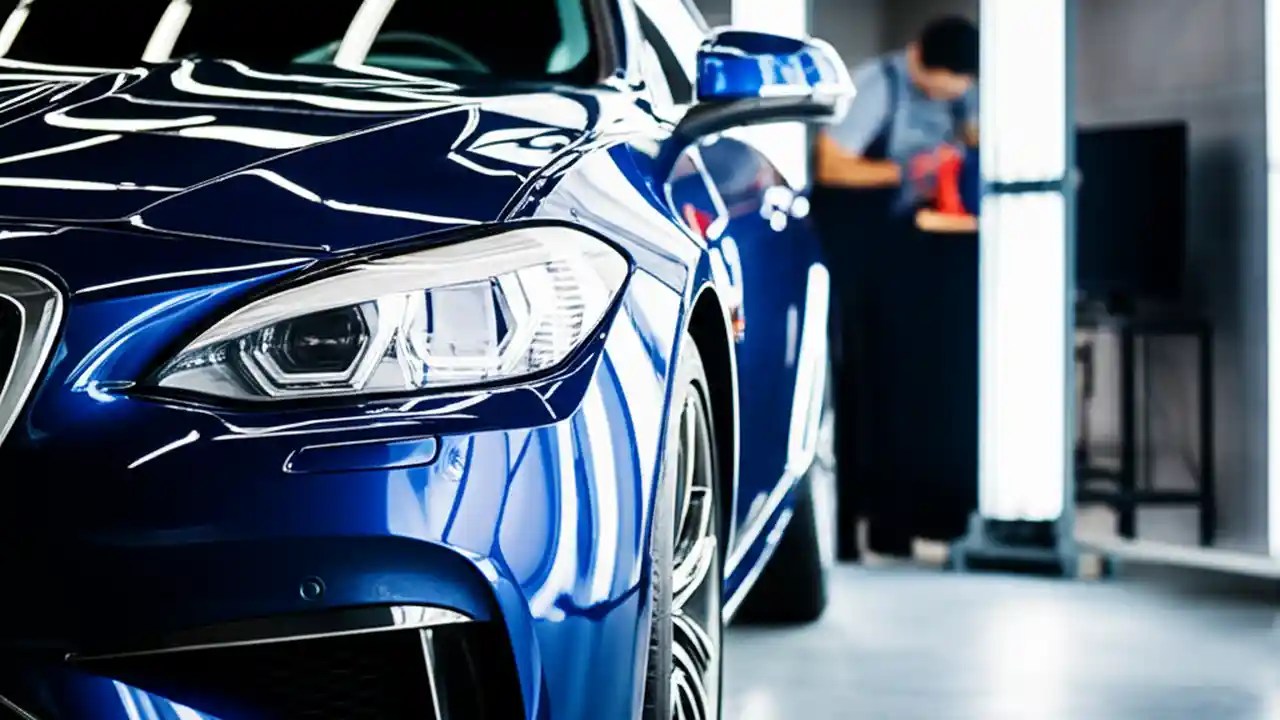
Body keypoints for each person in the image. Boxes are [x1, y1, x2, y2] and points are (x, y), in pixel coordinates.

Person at [811, 16, 979, 560]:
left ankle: (903, 522)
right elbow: (832, 165)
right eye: (950, 82)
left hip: (915, 259)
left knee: (911, 387)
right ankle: (850, 526)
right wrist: (909, 170)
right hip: (857, 252)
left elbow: (974, 142)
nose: (955, 94)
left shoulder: (960, 98)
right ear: (923, 63)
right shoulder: (877, 86)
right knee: (859, 382)